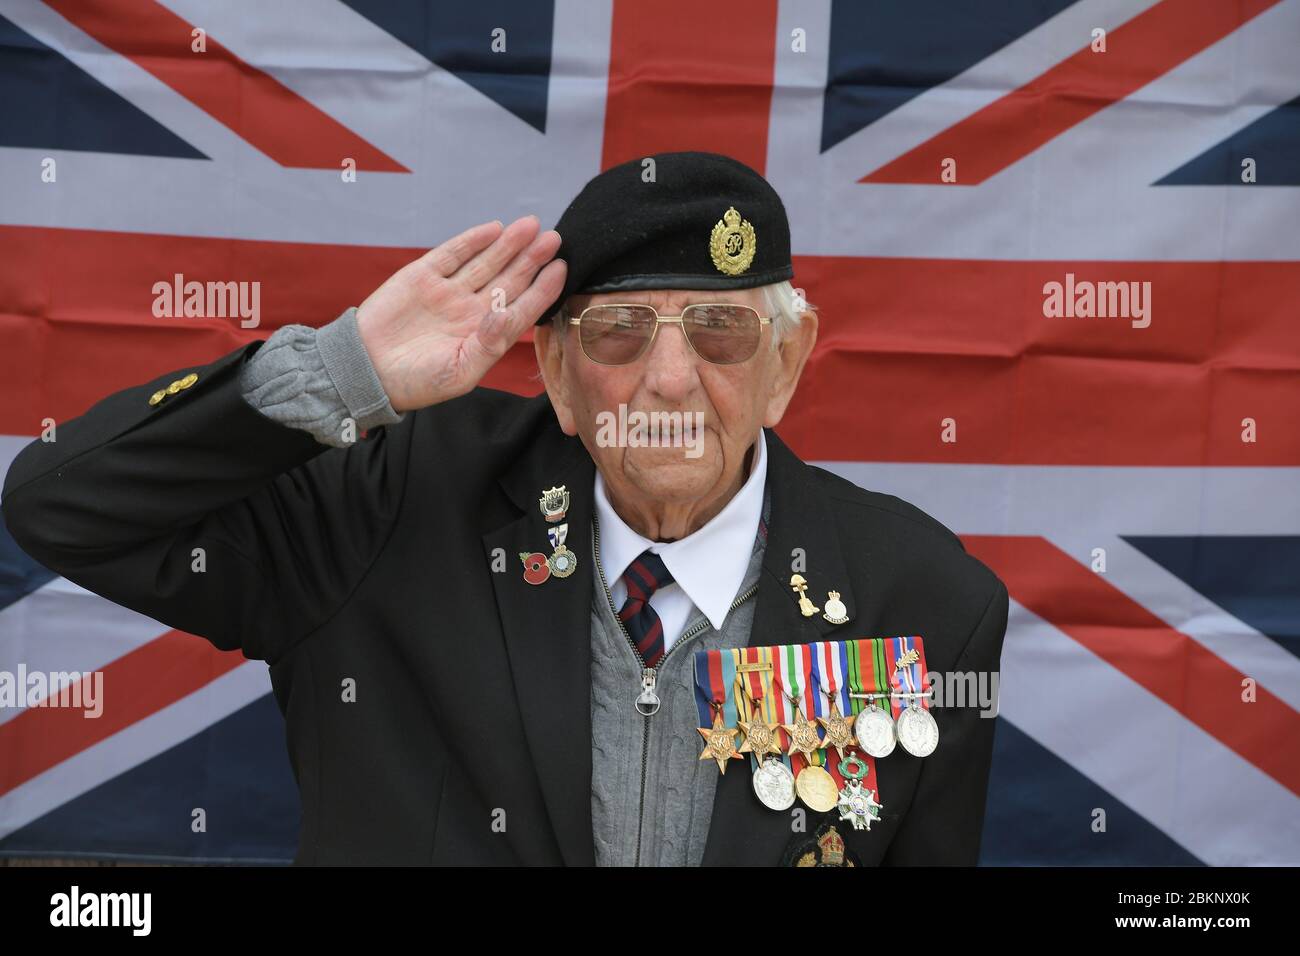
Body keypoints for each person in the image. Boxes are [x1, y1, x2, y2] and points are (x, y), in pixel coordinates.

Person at [1, 151, 1008, 866]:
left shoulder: (921, 598)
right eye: (616, 332)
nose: (668, 379)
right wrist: (344, 372)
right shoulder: (396, 499)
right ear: (557, 372)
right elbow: (66, 505)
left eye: (720, 331)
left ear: (785, 363)